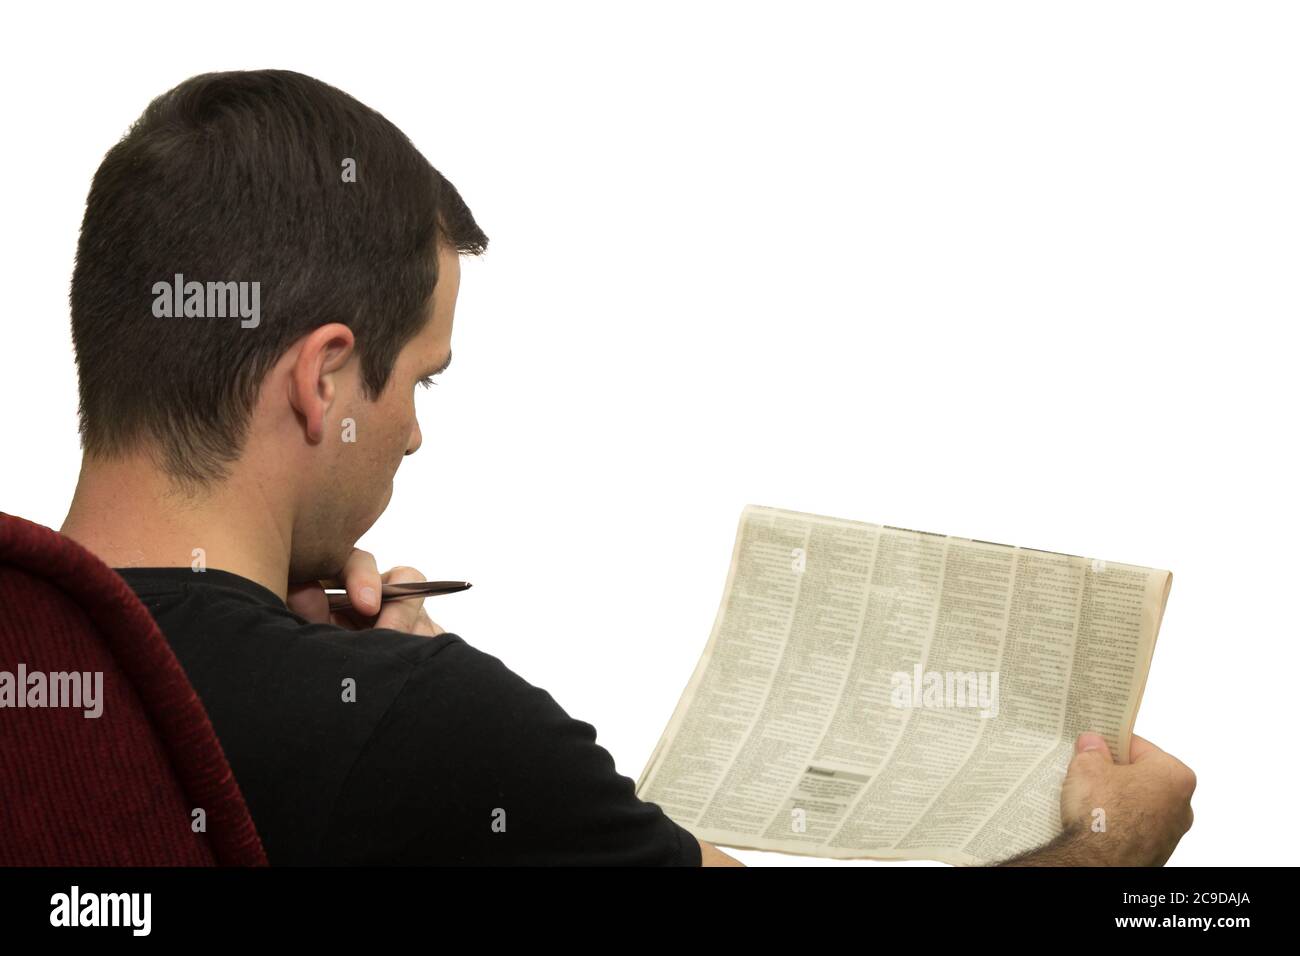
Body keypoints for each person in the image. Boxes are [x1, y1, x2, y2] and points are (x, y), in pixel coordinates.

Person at [58, 69, 1192, 867]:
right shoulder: (420, 728)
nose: (413, 434)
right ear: (323, 381)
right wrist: (1100, 852)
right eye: (421, 382)